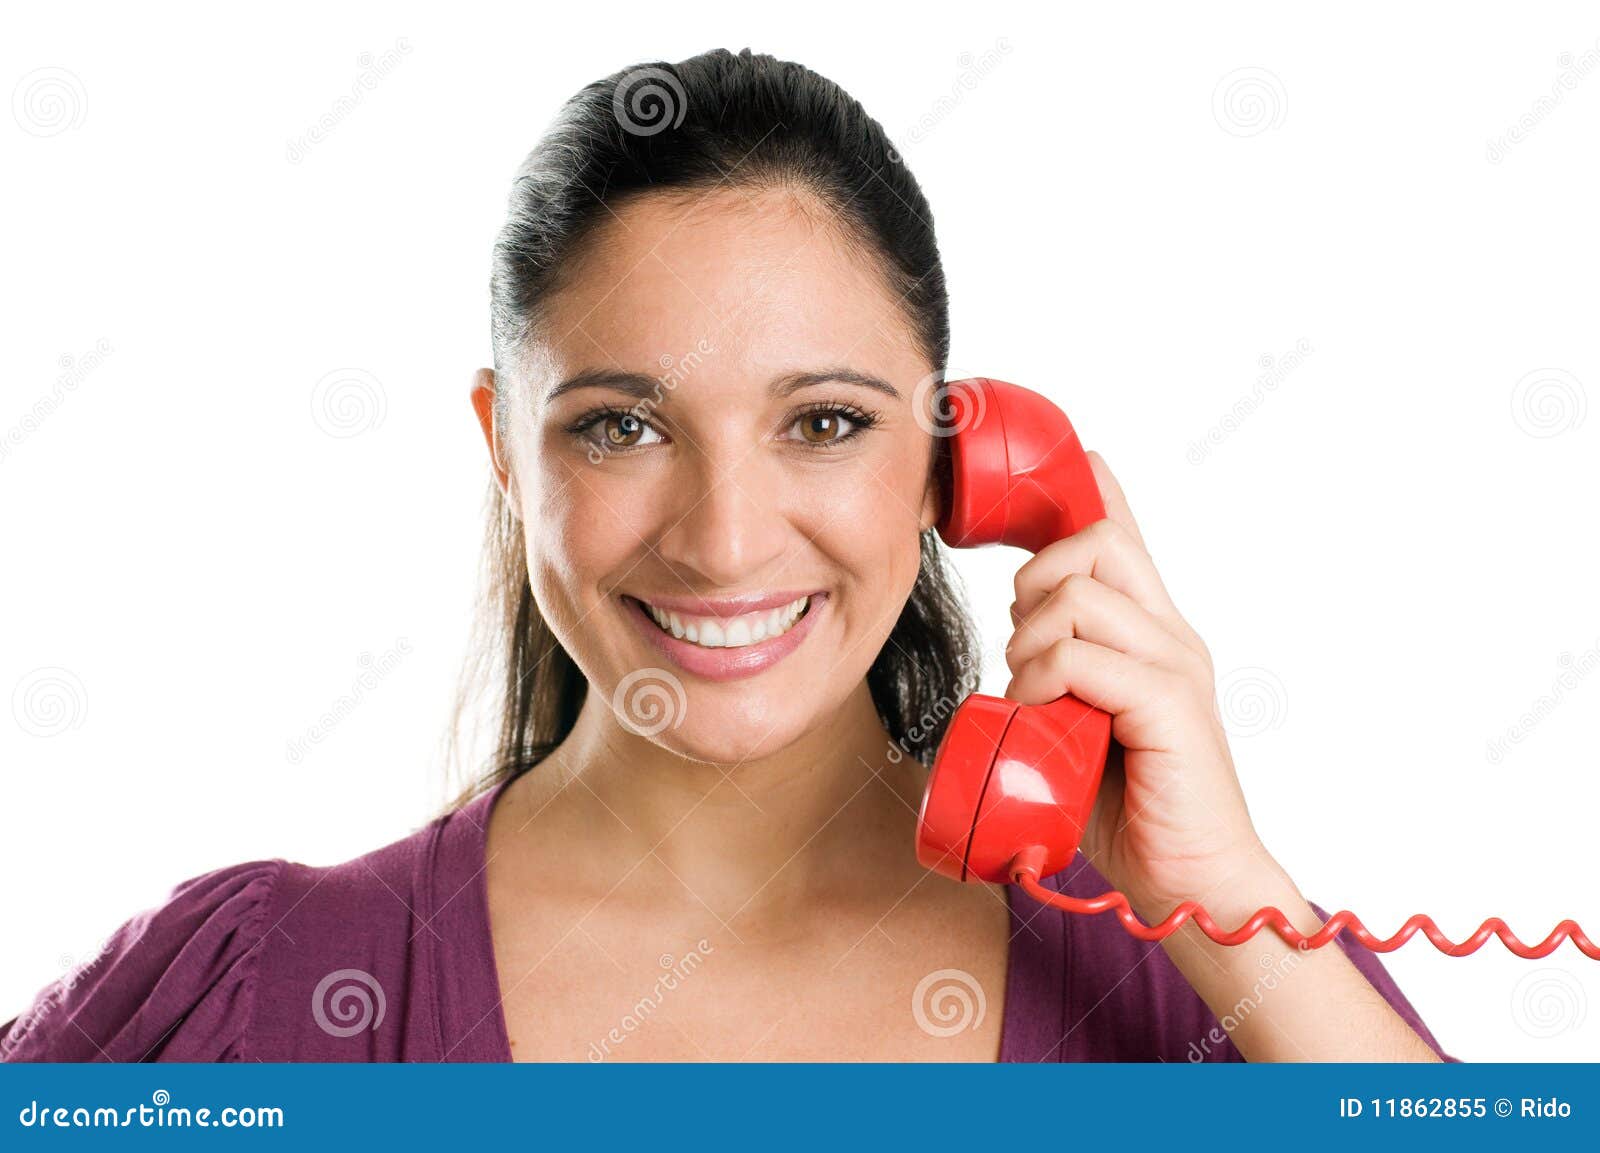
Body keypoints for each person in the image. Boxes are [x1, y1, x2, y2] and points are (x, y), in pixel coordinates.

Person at [1, 48, 1451, 1063]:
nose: (726, 539)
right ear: (503, 446)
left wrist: (1222, 889)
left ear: (957, 456)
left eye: (823, 420)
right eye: (624, 425)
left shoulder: (1195, 977)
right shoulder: (266, 997)